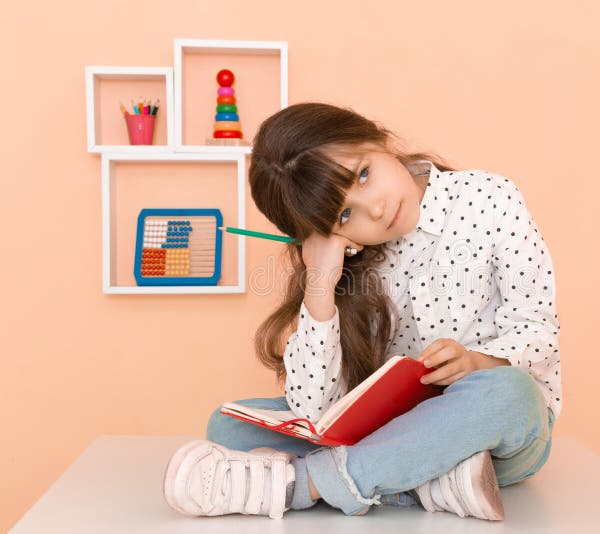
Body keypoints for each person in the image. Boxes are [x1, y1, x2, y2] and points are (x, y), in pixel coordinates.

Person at [162, 102, 562, 521]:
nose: (375, 209)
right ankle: (429, 480)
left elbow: (537, 330)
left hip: (494, 432)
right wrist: (320, 281)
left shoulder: (490, 198)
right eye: (345, 214)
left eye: (364, 175)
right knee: (228, 428)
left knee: (509, 393)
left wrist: (477, 362)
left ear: (374, 137)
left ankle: (304, 484)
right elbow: (313, 412)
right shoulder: (350, 263)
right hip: (391, 432)